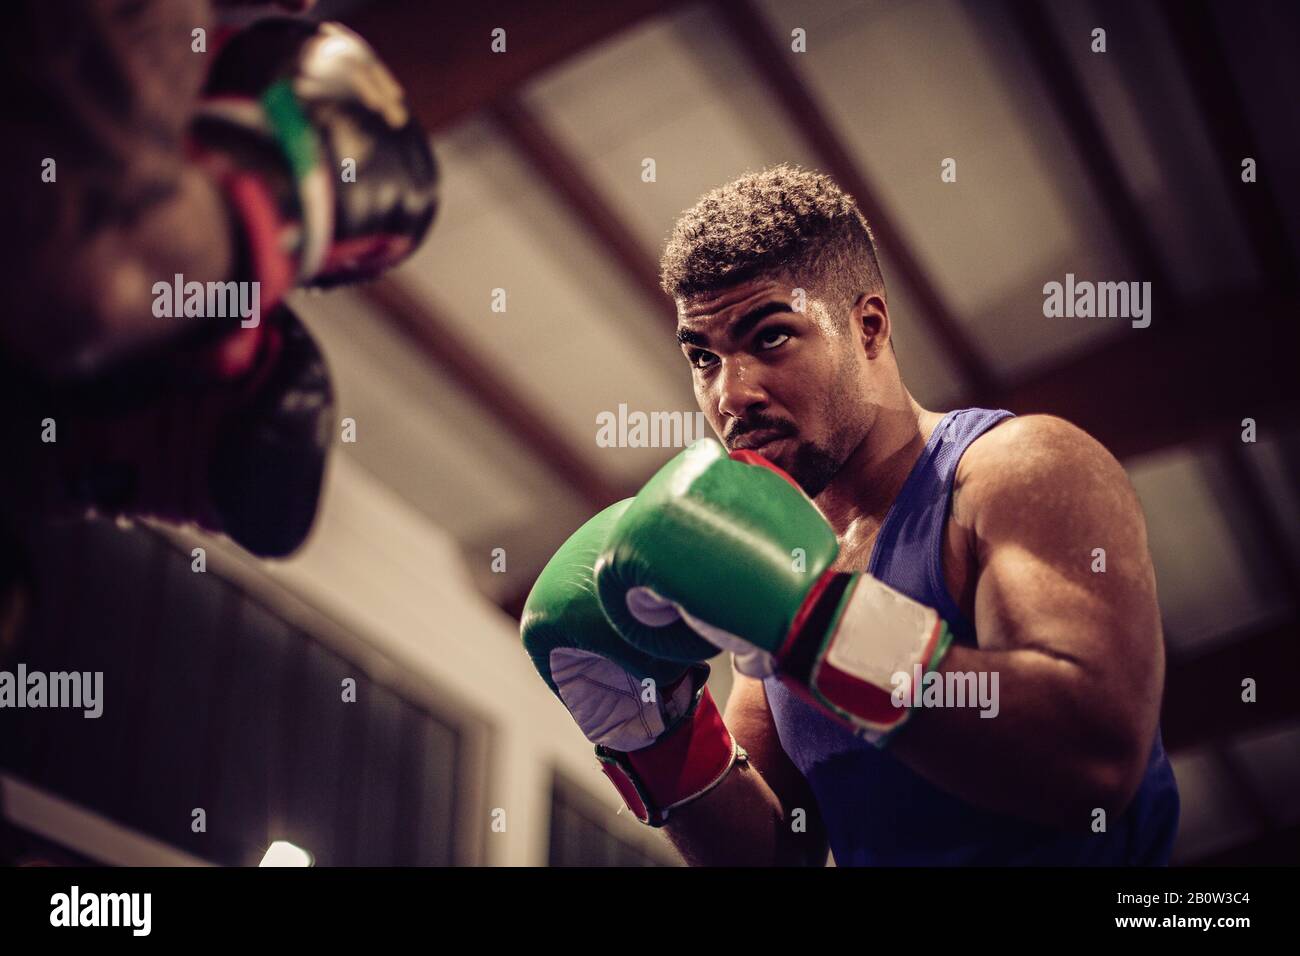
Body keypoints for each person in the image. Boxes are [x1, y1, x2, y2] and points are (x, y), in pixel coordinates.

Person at [522, 164, 1179, 866]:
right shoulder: (782, 564)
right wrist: (655, 737)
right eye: (704, 357)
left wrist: (817, 627)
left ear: (867, 328)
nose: (731, 392)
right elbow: (779, 857)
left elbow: (1096, 761)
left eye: (769, 336)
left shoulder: (1014, 469)